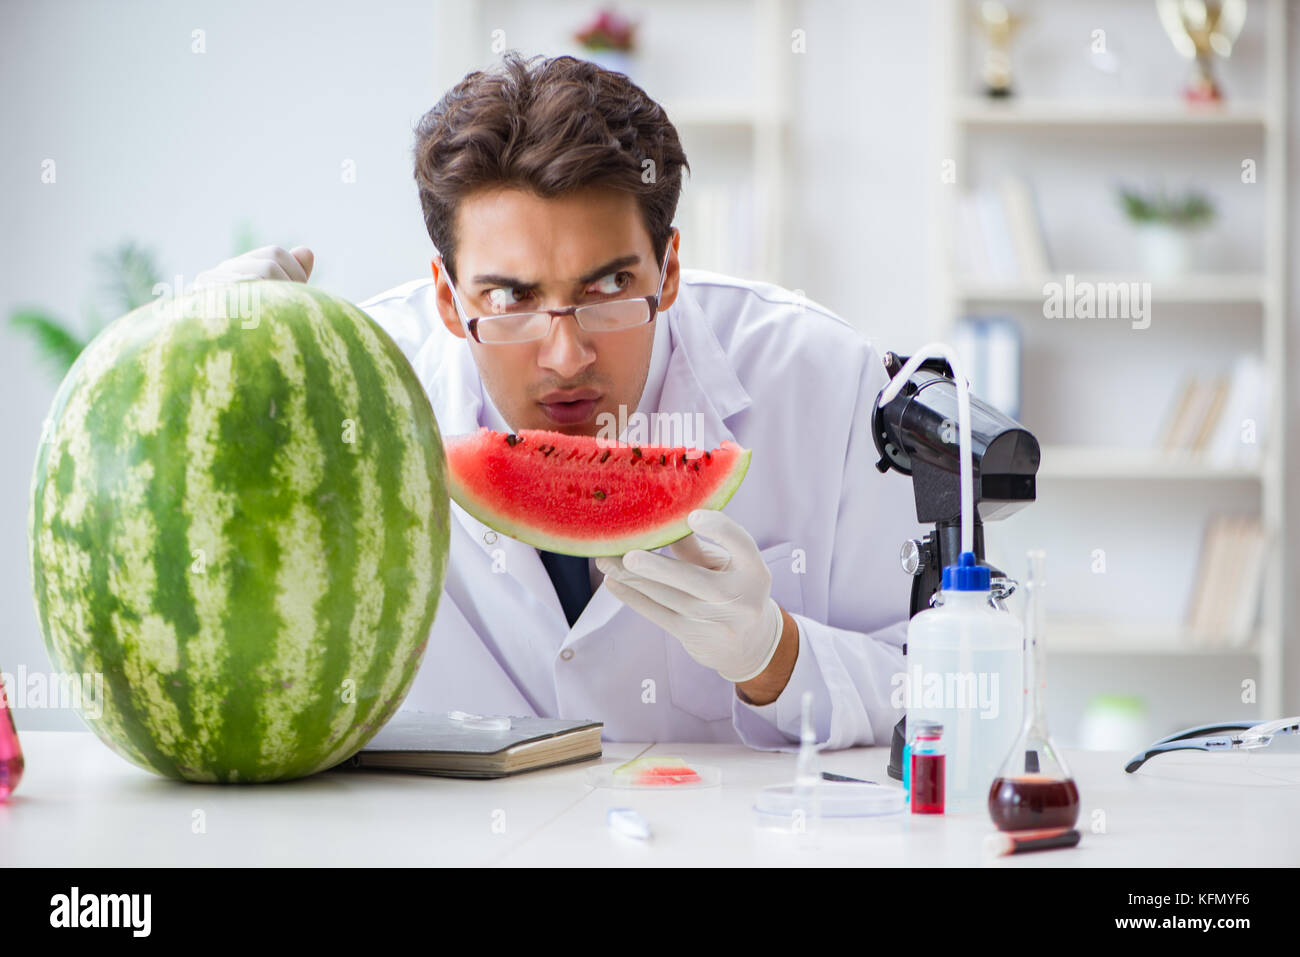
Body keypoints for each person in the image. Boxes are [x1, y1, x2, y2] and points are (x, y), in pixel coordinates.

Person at [195, 52, 923, 751]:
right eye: (510, 297)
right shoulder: (355, 393)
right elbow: (223, 649)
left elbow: (939, 689)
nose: (567, 354)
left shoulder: (826, 379)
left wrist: (773, 654)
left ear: (670, 269)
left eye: (608, 289)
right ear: (447, 298)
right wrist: (203, 387)